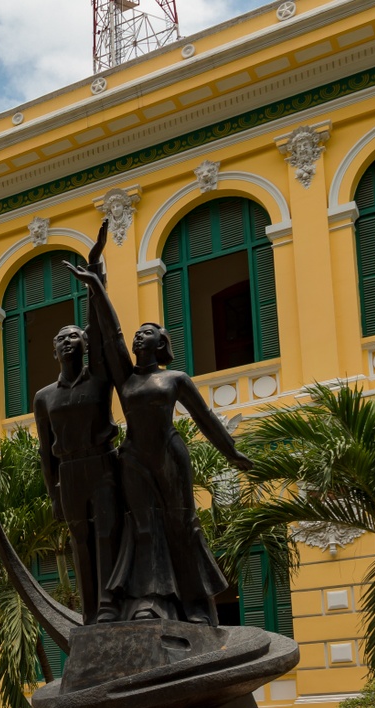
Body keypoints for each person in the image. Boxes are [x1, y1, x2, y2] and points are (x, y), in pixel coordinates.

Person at [68, 235, 253, 625]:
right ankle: (153, 603)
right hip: (134, 459)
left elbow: (205, 418)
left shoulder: (174, 379)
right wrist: (96, 285)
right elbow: (112, 333)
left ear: (162, 343)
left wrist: (232, 453)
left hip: (169, 454)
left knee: (182, 526)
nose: (139, 336)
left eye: (148, 332)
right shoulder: (126, 379)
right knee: (145, 529)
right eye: (138, 333)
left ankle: (196, 607)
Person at [36, 222, 121, 623]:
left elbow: (104, 330)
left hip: (102, 464)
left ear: (86, 344)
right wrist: (53, 494)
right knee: (80, 541)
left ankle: (109, 605)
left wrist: (94, 272)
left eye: (75, 335)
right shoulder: (45, 397)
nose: (69, 339)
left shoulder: (100, 377)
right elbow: (43, 451)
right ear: (54, 350)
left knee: (107, 534)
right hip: (68, 472)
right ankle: (90, 612)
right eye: (62, 337)